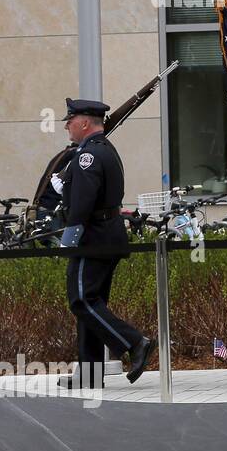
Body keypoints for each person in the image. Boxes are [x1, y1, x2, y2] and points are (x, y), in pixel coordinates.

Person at [56, 99, 155, 390]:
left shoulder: (88, 155)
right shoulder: (103, 150)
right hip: (107, 234)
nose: (66, 126)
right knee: (92, 303)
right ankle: (89, 373)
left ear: (84, 123)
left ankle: (134, 343)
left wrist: (69, 237)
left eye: (70, 120)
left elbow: (83, 202)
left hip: (92, 237)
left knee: (82, 300)